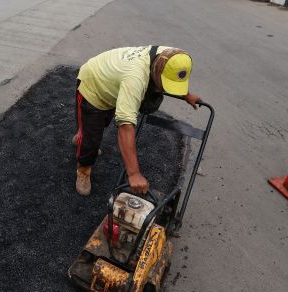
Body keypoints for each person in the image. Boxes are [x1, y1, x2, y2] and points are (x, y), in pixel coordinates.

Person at [73, 46, 203, 196]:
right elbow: (125, 126)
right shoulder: (134, 80)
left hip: (113, 80)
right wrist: (134, 173)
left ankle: (84, 134)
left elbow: (173, 75)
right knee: (91, 138)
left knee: (102, 122)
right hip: (93, 83)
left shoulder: (173, 56)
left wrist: (186, 94)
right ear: (156, 70)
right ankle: (83, 170)